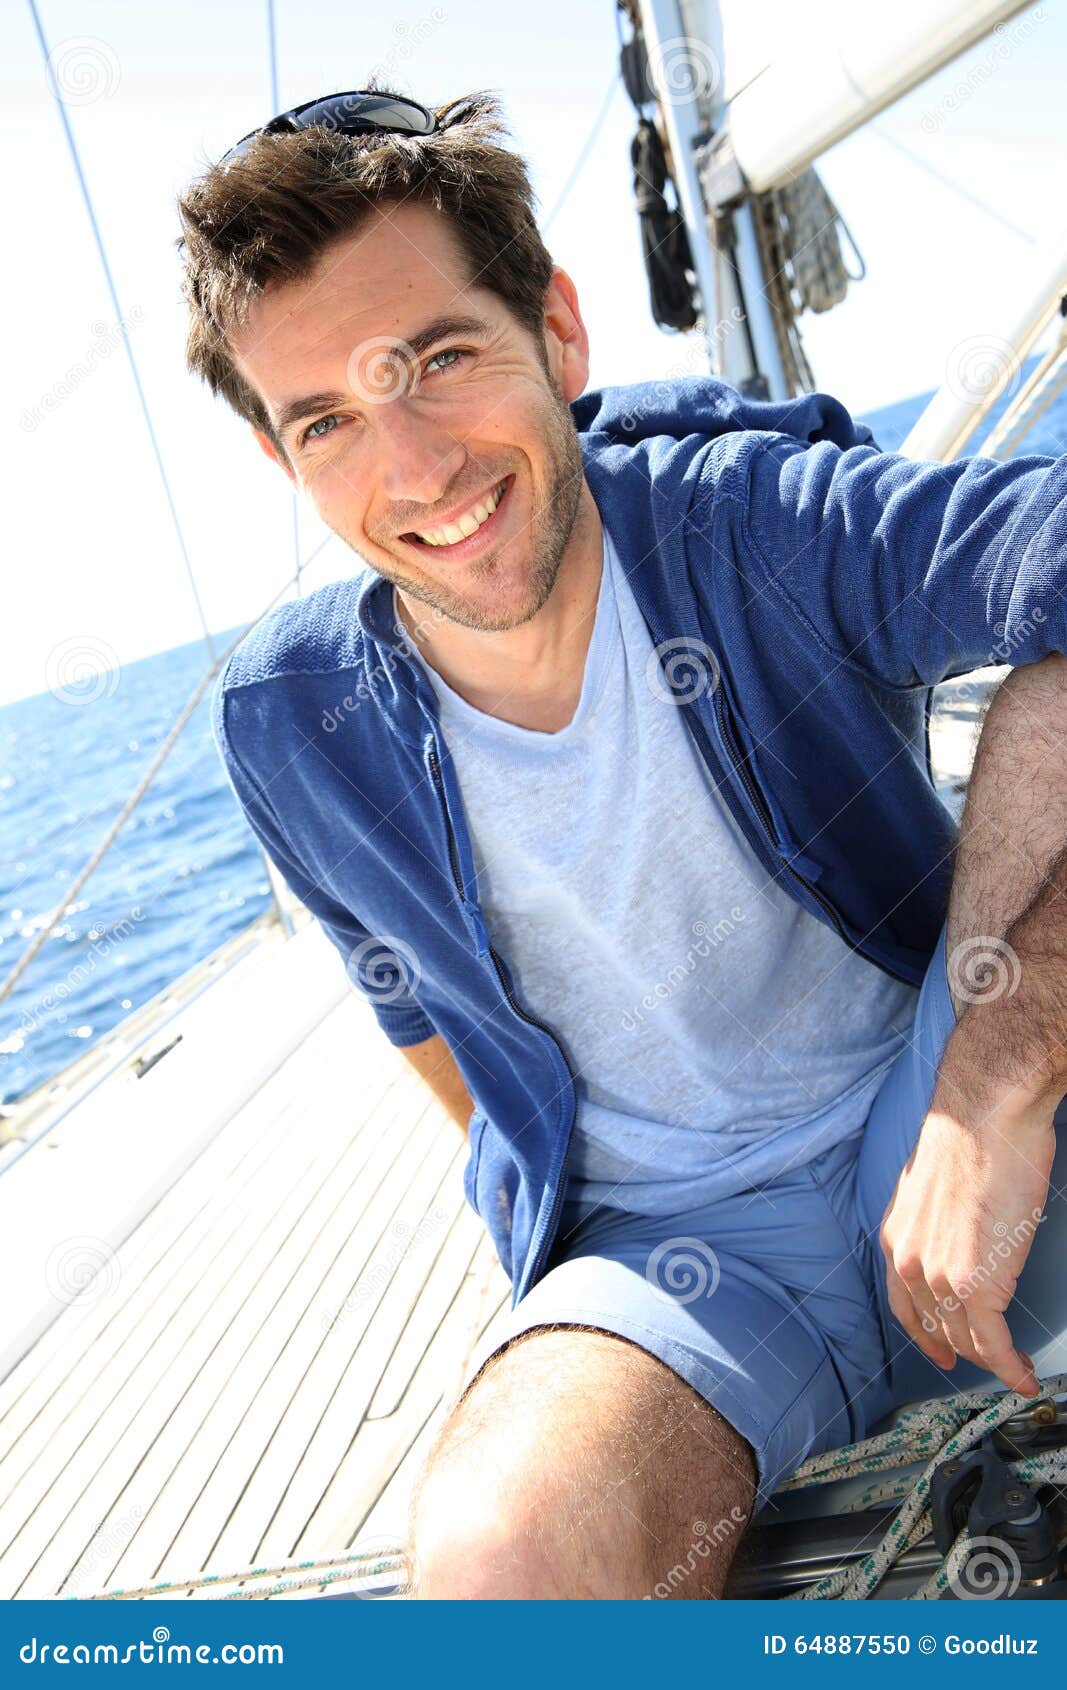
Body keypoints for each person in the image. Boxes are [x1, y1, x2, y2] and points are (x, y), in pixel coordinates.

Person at [177, 87, 1067, 1599]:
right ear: (284, 460)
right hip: (686, 1264)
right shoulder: (292, 727)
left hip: (947, 1099)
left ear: (560, 334)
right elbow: (436, 1040)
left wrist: (996, 1067)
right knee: (500, 1570)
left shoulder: (744, 523)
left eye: (439, 359)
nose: (416, 468)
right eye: (327, 419)